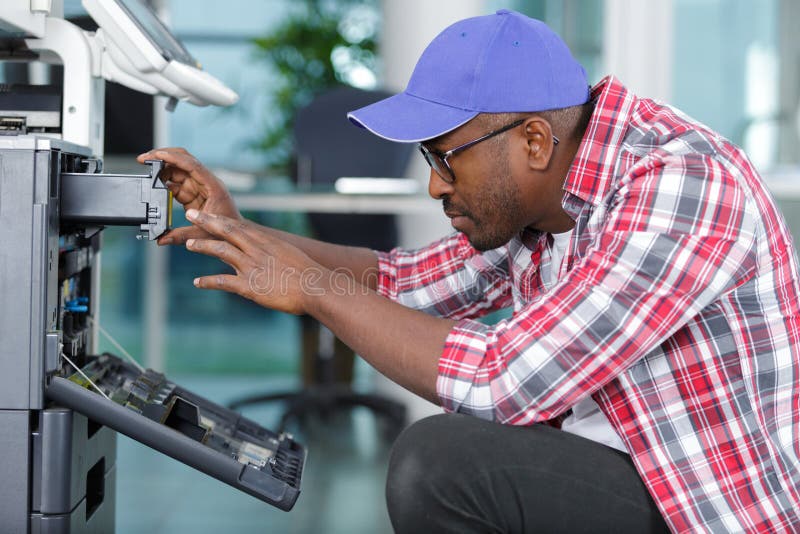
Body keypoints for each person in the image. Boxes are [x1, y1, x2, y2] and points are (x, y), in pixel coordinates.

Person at [138, 9, 800, 533]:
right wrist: (238, 228)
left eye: (446, 157)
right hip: (631, 468)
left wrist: (313, 289)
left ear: (534, 142)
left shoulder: (680, 186)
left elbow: (502, 380)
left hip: (704, 507)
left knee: (442, 465)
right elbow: (399, 283)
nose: (434, 186)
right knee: (456, 458)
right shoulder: (552, 198)